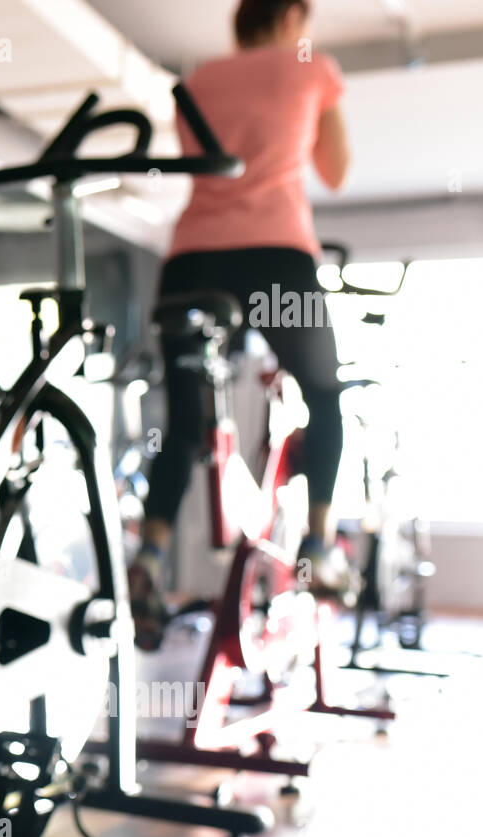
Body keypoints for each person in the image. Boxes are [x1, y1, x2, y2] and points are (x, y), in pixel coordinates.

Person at [130, 0, 351, 649]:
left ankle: (149, 556)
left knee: (183, 422)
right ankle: (317, 544)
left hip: (191, 261)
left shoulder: (200, 80)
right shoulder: (312, 68)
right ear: (292, 15)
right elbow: (337, 172)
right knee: (326, 397)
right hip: (275, 256)